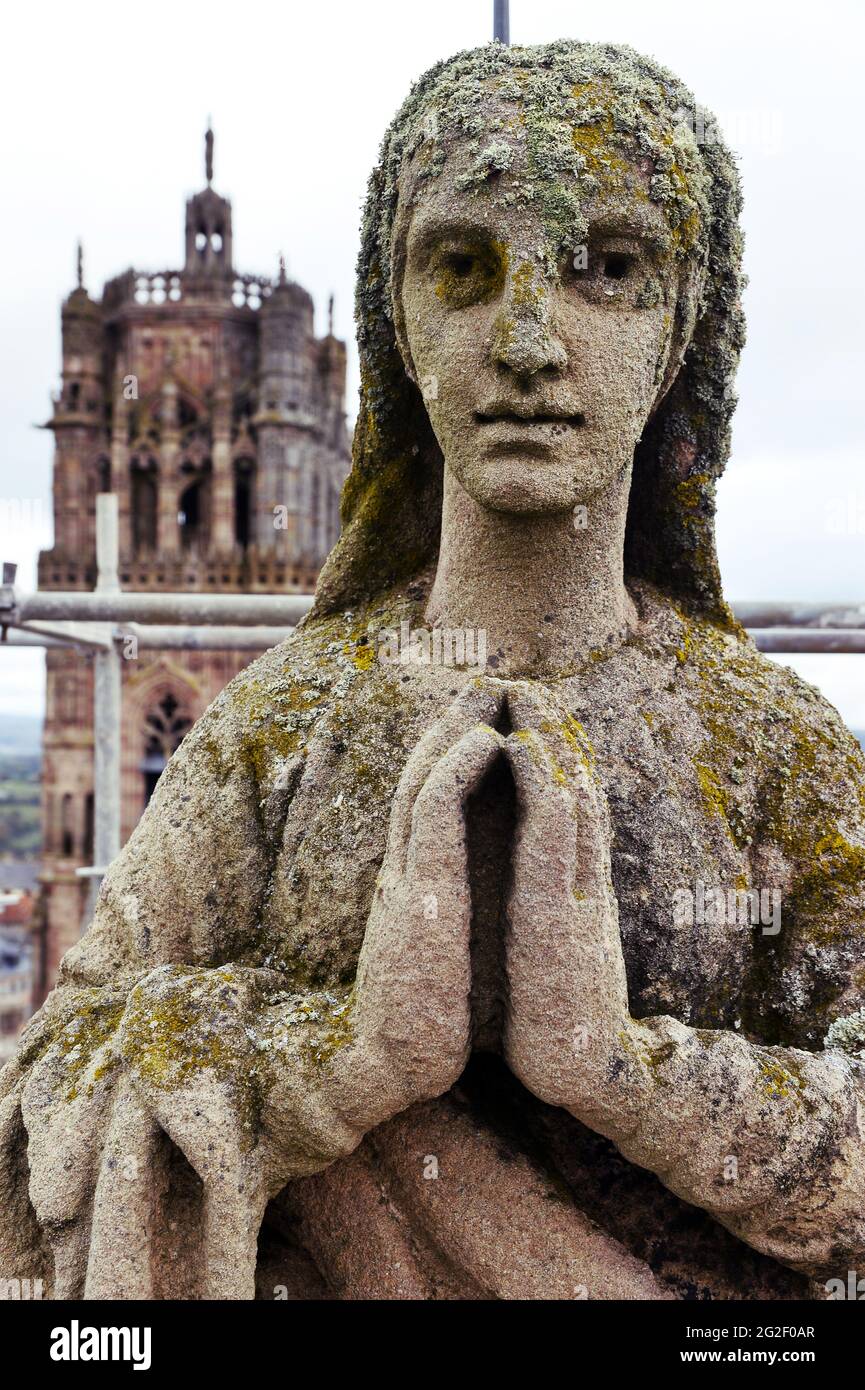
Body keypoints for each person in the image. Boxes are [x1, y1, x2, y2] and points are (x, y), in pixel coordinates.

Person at [3, 39, 864, 1301]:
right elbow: (41, 1099)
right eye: (462, 268)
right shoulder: (277, 730)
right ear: (398, 316)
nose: (526, 342)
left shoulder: (779, 755)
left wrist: (631, 1075)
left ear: (689, 320)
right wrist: (334, 1059)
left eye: (609, 270)